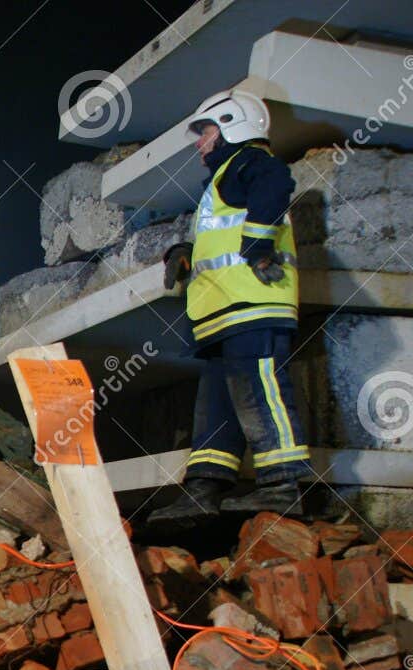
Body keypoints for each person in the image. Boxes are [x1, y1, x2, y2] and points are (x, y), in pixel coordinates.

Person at [147, 89, 310, 525]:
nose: (199, 143)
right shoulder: (222, 182)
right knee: (217, 401)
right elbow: (222, 234)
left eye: (205, 133)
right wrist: (186, 250)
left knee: (260, 389)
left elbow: (276, 185)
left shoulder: (251, 163)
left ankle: (281, 486)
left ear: (231, 124)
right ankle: (204, 488)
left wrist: (258, 244)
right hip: (223, 315)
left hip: (252, 305)